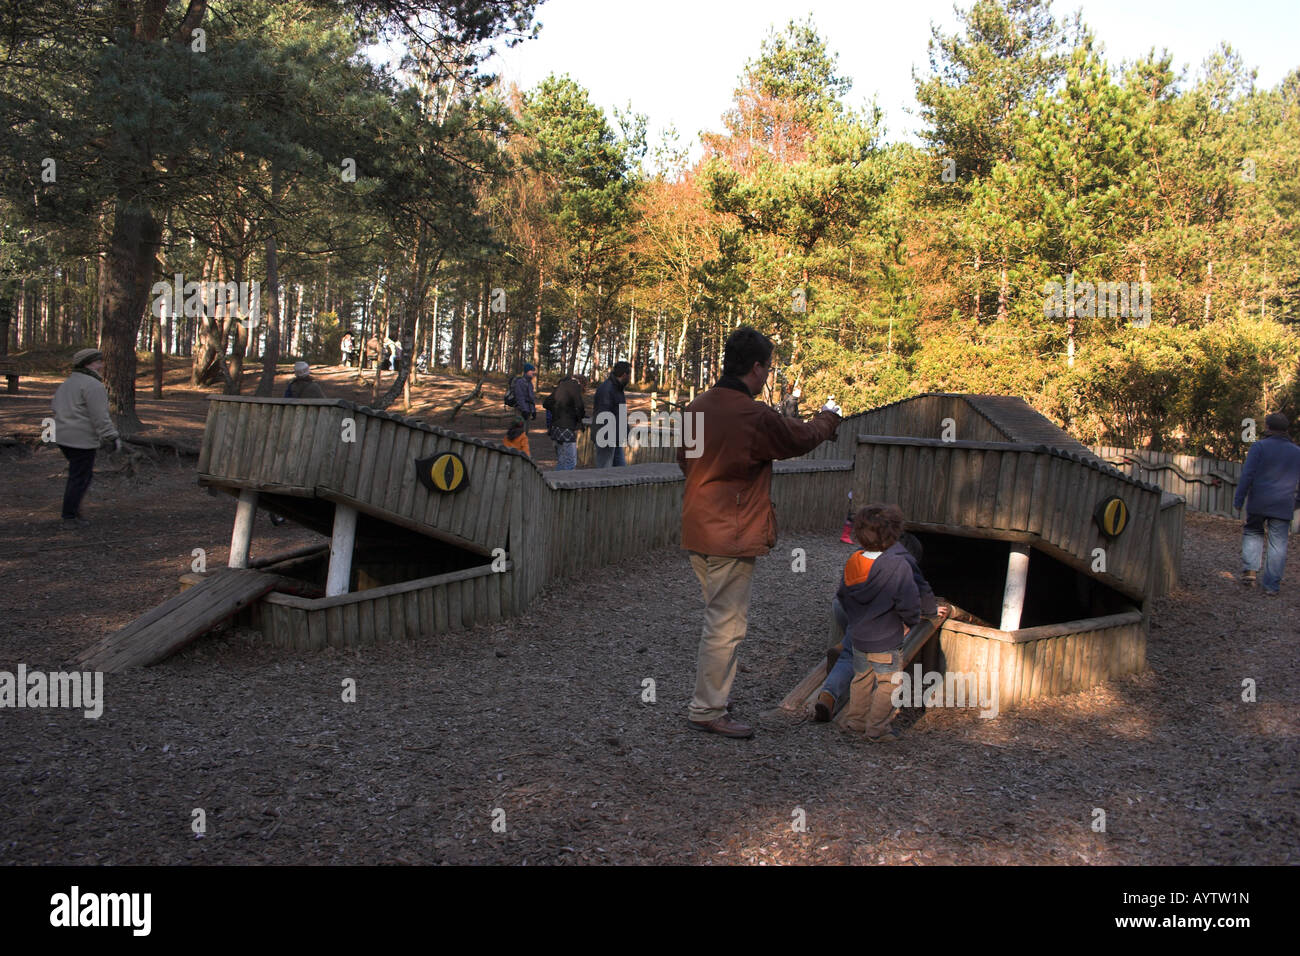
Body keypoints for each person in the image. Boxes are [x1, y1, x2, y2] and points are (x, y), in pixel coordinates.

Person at [679, 326, 842, 738]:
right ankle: (707, 710)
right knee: (726, 625)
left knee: (718, 616)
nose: (769, 374)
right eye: (768, 367)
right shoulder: (753, 415)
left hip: (698, 527)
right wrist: (829, 418)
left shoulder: (696, 407)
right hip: (730, 534)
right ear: (755, 367)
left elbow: (686, 461)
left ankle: (713, 694)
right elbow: (799, 437)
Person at [834, 504, 949, 742]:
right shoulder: (899, 564)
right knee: (889, 683)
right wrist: (913, 619)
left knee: (861, 678)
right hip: (885, 638)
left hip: (858, 635)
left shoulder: (855, 560)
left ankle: (855, 722)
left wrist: (856, 620)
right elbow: (908, 601)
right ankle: (877, 729)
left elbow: (843, 595)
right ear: (894, 533)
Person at [51, 348, 120, 527]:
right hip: (80, 439)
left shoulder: (68, 383)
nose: (102, 365)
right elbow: (100, 415)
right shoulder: (93, 385)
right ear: (88, 364)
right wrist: (111, 436)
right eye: (98, 362)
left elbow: (55, 406)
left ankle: (75, 511)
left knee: (79, 475)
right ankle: (69, 516)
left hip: (63, 436)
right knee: (80, 477)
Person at [1234, 412, 1300, 595]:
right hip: (1283, 504)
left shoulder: (1259, 447)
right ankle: (1271, 585)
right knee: (1278, 544)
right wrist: (1297, 502)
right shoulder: (1297, 452)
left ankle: (1250, 571)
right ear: (1286, 430)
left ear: (1268, 428)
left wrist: (1239, 499)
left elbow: (1248, 474)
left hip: (1259, 501)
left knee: (1253, 533)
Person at [592, 361, 631, 468]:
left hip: (616, 437)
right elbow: (603, 414)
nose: (630, 377)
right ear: (624, 375)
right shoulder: (607, 389)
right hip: (606, 437)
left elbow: (619, 414)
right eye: (629, 374)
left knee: (621, 469)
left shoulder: (617, 388)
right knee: (604, 470)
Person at [544, 373, 586, 471]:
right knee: (571, 461)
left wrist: (557, 411)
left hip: (555, 427)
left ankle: (556, 481)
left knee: (562, 460)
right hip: (567, 427)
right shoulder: (575, 386)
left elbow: (546, 403)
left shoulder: (561, 385)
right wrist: (576, 418)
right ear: (582, 383)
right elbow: (580, 407)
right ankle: (567, 484)